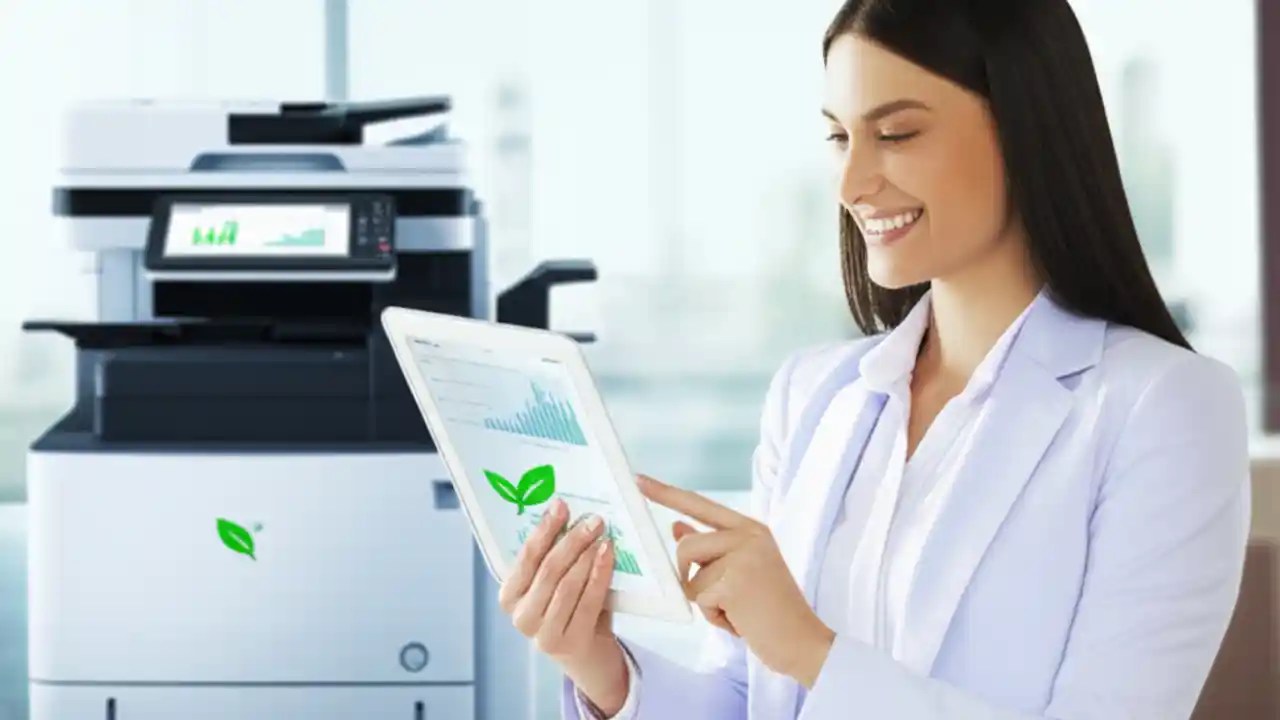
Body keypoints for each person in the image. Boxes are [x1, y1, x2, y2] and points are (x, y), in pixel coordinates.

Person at [497, 0, 1252, 717]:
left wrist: (811, 650)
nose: (853, 183)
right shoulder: (812, 395)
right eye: (838, 138)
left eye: (896, 134)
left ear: (1026, 130)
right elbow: (752, 699)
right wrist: (601, 666)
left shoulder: (1165, 409)